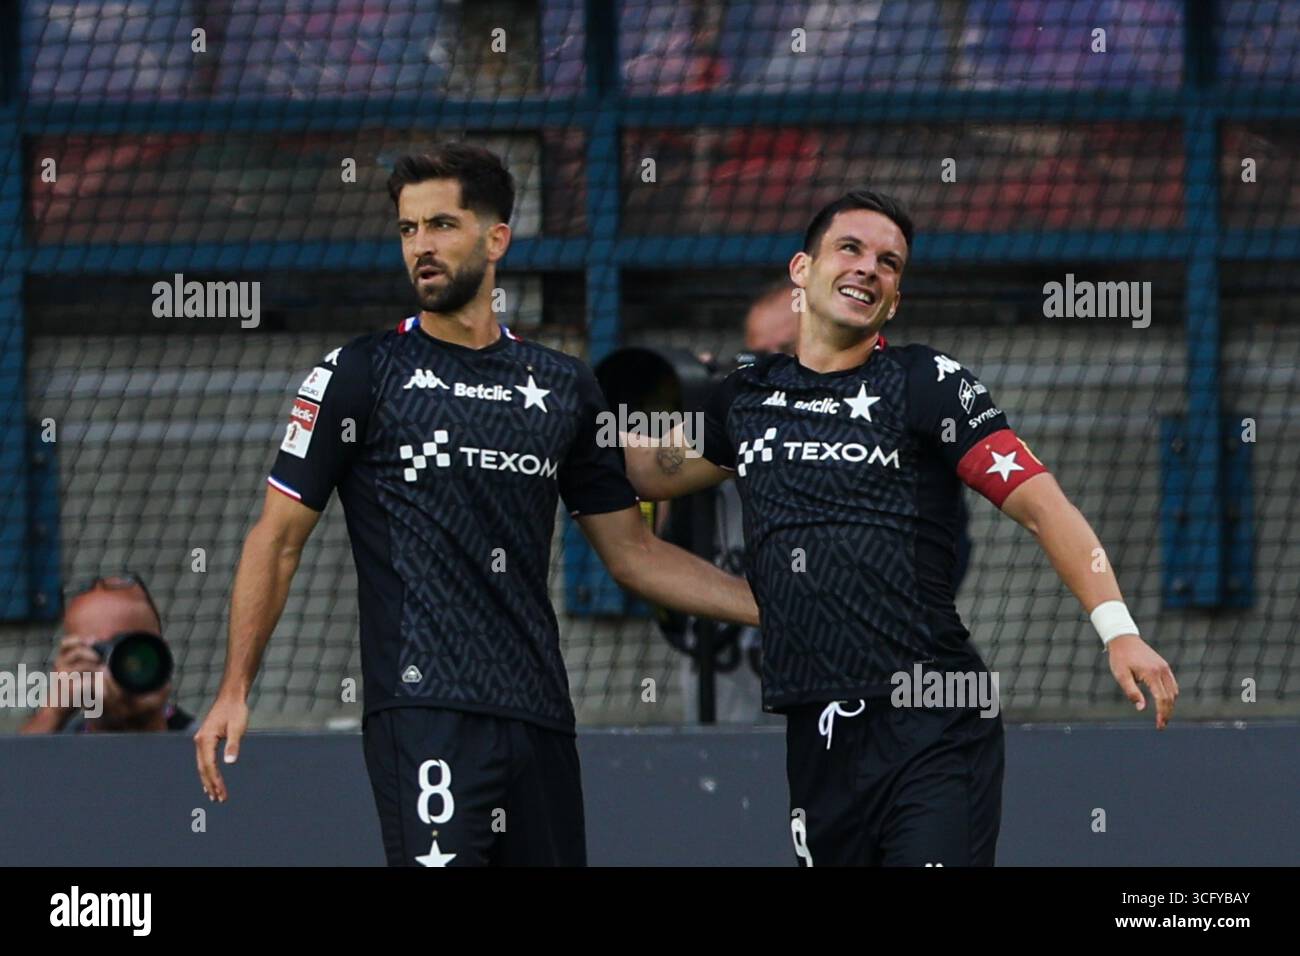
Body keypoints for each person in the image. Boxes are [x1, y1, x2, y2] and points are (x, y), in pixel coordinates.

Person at [193, 143, 759, 867]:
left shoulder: (561, 385)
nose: (421, 247)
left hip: (540, 715)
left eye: (441, 225)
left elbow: (634, 552)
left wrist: (765, 602)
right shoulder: (359, 373)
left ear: (496, 239)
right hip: (425, 712)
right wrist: (235, 688)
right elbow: (276, 540)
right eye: (408, 230)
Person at [623, 189, 1178, 866]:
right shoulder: (744, 398)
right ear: (803, 269)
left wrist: (1119, 632)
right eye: (849, 249)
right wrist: (556, 411)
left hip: (932, 725)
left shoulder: (926, 381)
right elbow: (646, 468)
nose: (869, 268)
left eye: (889, 263)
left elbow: (1044, 506)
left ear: (894, 299)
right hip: (815, 726)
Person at [21, 573, 194, 734]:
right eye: (98, 651)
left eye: (129, 649)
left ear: (161, 654)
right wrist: (53, 712)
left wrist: (149, 720)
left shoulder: (203, 741)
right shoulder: (60, 739)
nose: (114, 664)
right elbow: (14, 765)